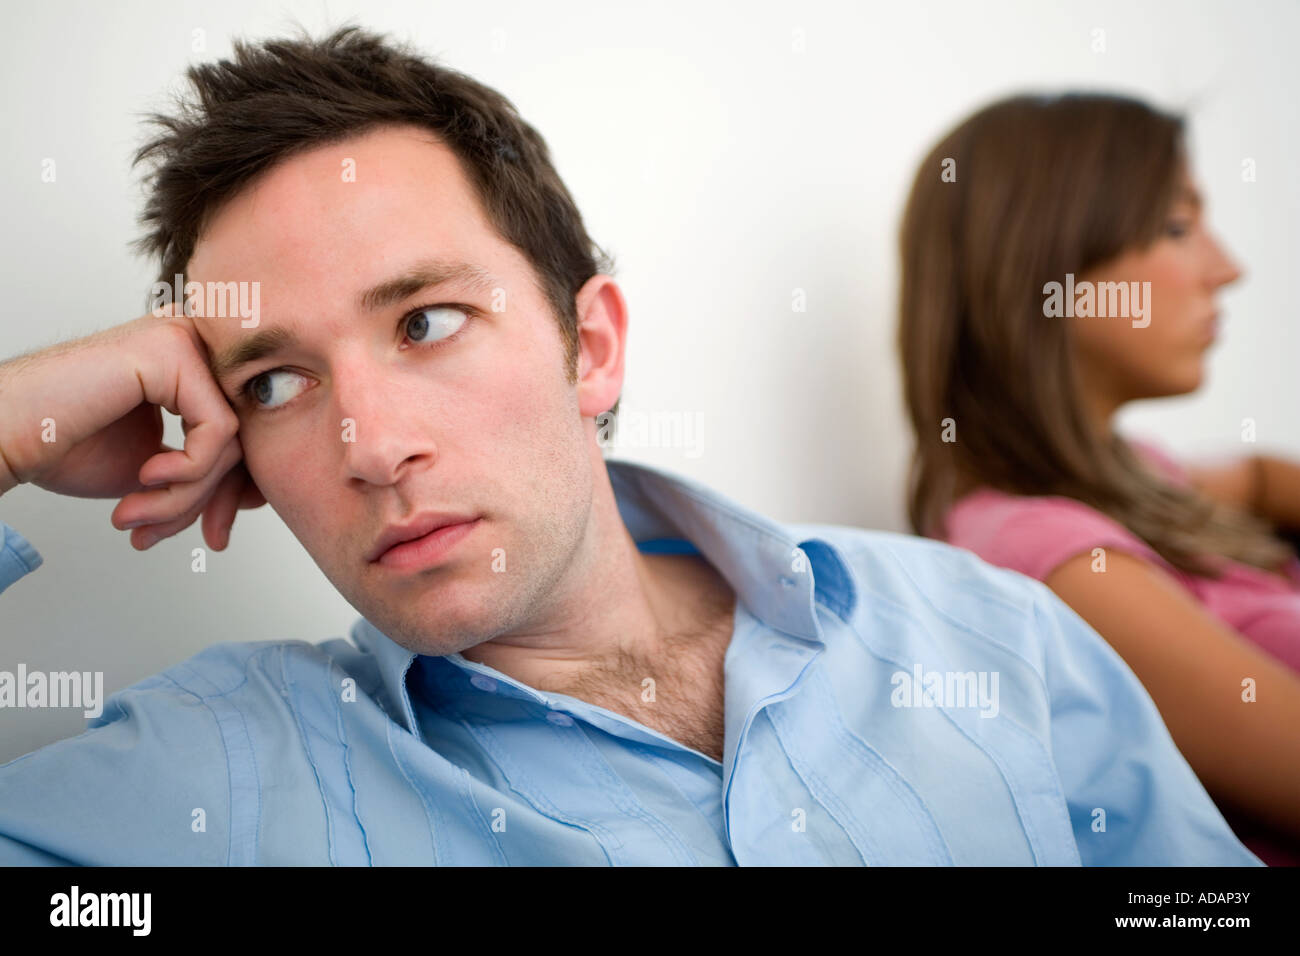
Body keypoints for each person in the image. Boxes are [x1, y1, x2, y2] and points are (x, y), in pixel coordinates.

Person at [0, 31, 1260, 866]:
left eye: (425, 320)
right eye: (274, 382)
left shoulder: (987, 634)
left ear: (590, 345)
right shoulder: (219, 772)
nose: (369, 446)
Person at [896, 92, 1300, 864]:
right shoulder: (1059, 560)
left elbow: (1257, 476)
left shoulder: (1127, 475)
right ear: (1044, 269)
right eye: (1177, 227)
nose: (1227, 269)